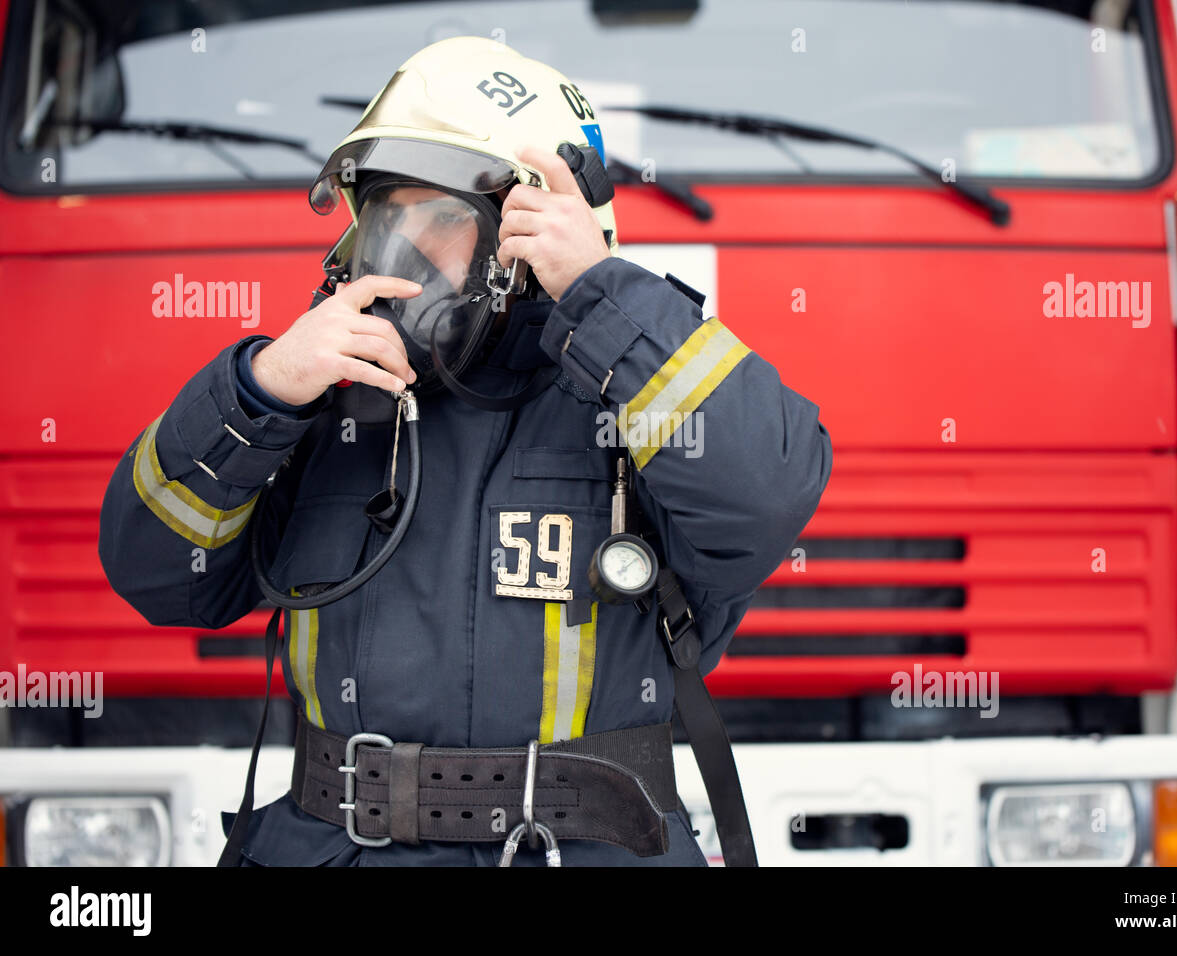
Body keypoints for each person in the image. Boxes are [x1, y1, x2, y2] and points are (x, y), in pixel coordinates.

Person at [98, 36, 831, 867]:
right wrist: (259, 391)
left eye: (441, 217)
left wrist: (602, 295)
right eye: (386, 218)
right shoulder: (315, 397)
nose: (402, 251)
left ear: (535, 218)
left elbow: (768, 492)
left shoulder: (638, 393)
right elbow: (156, 576)